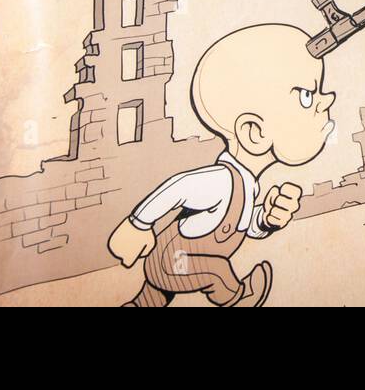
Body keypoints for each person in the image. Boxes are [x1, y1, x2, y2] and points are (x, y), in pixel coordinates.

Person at [107, 24, 336, 308]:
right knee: (220, 274)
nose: (327, 100)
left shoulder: (247, 183)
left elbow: (242, 224)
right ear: (254, 132)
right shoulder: (222, 181)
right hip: (176, 262)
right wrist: (138, 224)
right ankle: (237, 299)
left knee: (149, 302)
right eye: (306, 96)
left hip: (176, 262)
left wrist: (264, 219)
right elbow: (179, 187)